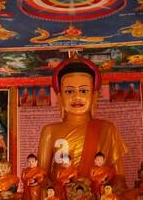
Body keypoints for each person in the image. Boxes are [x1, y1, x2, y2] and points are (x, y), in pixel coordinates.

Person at [37, 58, 128, 192]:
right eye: (69, 91)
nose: (76, 96)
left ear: (94, 96)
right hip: (62, 196)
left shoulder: (107, 129)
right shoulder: (49, 131)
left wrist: (109, 190)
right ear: (60, 97)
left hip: (97, 194)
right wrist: (54, 188)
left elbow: (120, 177)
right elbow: (41, 174)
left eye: (84, 91)